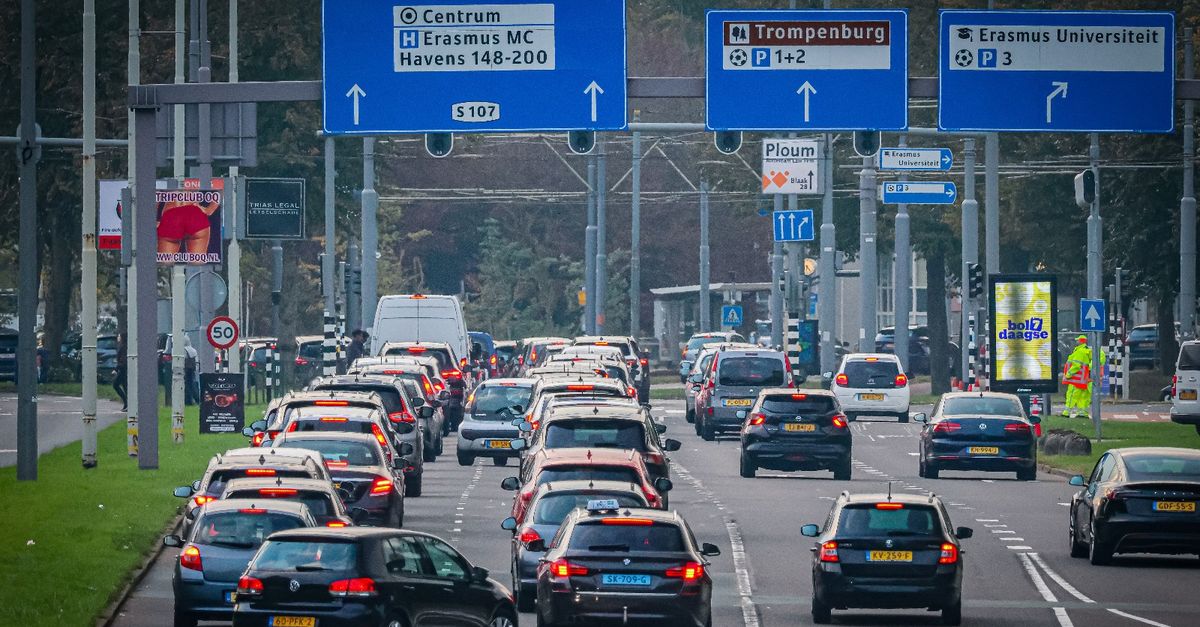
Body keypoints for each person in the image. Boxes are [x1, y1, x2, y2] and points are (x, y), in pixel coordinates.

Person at [113, 333, 128, 411]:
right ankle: (126, 403)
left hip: (124, 370)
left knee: (118, 385)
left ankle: (127, 403)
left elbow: (123, 360)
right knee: (122, 386)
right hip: (122, 369)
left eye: (119, 336)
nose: (118, 337)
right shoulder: (122, 346)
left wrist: (116, 369)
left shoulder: (124, 347)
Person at [183, 336, 199, 405]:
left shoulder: (182, 350)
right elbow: (196, 361)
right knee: (192, 385)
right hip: (192, 369)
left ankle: (188, 401)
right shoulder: (193, 350)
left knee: (186, 386)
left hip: (185, 370)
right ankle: (197, 399)